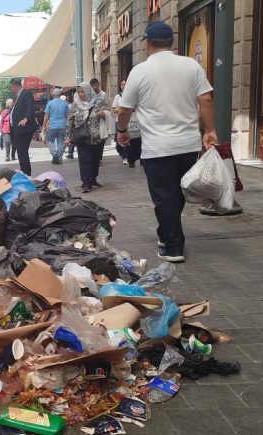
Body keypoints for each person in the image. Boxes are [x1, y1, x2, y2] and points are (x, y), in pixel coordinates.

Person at [116, 21, 216, 263]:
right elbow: (206, 100)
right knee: (177, 194)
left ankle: (173, 247)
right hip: (187, 145)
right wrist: (210, 130)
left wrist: (122, 131)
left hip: (157, 148)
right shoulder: (191, 65)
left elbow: (124, 109)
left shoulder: (139, 71)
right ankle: (165, 233)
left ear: (147, 43)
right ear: (171, 42)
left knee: (165, 197)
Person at [65, 81, 110, 193]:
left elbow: (108, 112)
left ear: (88, 91)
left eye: (82, 91)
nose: (80, 94)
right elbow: (70, 120)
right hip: (82, 137)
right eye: (79, 92)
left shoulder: (98, 102)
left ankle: (93, 179)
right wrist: (68, 136)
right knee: (85, 161)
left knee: (95, 161)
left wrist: (103, 114)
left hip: (96, 136)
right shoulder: (75, 104)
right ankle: (86, 183)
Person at [9, 77, 36, 175]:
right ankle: (24, 171)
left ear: (16, 86)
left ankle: (27, 173)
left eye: (11, 87)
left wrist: (26, 118)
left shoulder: (26, 93)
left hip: (24, 129)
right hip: (17, 129)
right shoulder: (17, 96)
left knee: (22, 152)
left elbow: (30, 107)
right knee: (20, 152)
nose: (11, 89)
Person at [112, 79, 142, 168]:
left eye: (125, 84)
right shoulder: (118, 97)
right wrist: (124, 108)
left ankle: (134, 159)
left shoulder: (133, 95)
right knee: (121, 142)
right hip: (121, 121)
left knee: (136, 140)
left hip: (134, 120)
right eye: (122, 84)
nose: (124, 86)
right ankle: (125, 156)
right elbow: (114, 109)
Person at [43, 87, 69, 164]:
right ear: (60, 94)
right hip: (62, 126)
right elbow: (68, 115)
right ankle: (59, 158)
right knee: (60, 142)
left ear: (53, 94)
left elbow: (46, 116)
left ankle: (54, 154)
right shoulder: (65, 103)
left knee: (50, 141)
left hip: (52, 126)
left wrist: (44, 126)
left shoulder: (50, 103)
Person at [63, 88, 76, 159]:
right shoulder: (70, 105)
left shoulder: (69, 106)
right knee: (70, 137)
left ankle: (67, 151)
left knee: (68, 137)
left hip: (69, 123)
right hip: (70, 123)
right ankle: (70, 152)